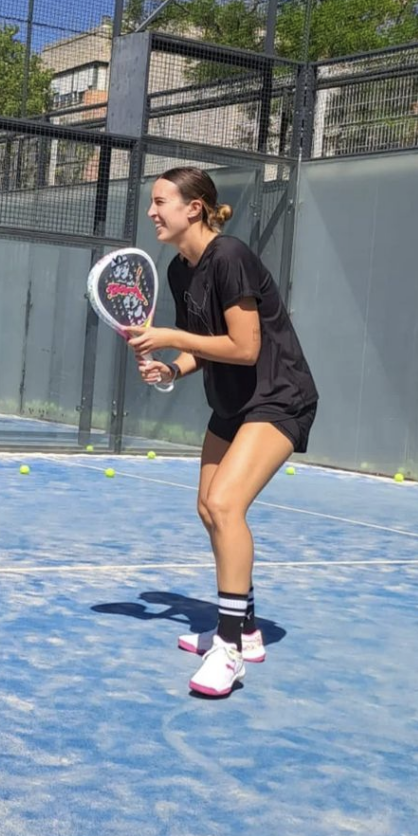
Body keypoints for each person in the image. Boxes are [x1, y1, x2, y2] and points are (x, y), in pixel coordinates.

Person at [127, 166, 318, 697]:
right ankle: (249, 626)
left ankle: (229, 647)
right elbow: (206, 346)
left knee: (228, 506)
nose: (152, 212)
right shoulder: (179, 271)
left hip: (279, 397)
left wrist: (166, 334)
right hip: (231, 403)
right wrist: (172, 367)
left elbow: (246, 347)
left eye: (160, 201)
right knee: (208, 506)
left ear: (194, 208)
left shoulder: (230, 256)